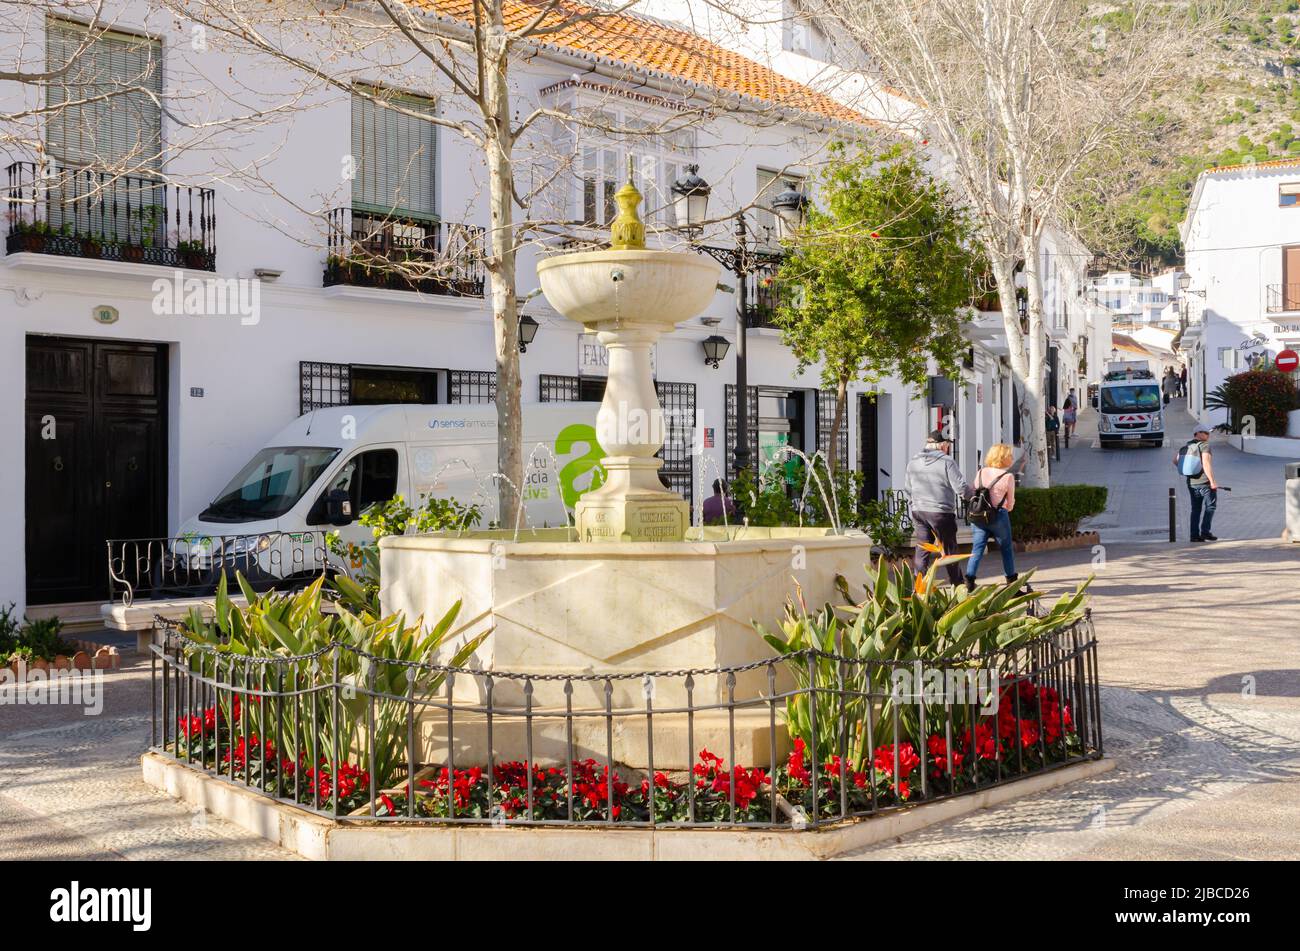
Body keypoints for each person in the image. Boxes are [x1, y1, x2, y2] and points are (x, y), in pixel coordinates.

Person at [903, 430, 969, 584]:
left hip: (919, 511)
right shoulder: (947, 461)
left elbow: (908, 489)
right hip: (941, 513)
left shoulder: (913, 461)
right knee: (949, 550)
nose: (947, 448)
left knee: (922, 549)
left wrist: (914, 503)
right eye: (947, 445)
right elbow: (961, 488)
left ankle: (919, 586)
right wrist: (971, 496)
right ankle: (957, 585)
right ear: (942, 445)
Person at [964, 443, 1019, 591]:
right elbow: (1011, 503)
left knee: (977, 549)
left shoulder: (981, 472)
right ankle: (1012, 586)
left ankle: (969, 583)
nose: (1012, 458)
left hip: (979, 517)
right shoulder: (1007, 477)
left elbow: (974, 491)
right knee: (1006, 549)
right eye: (1010, 455)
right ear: (1003, 458)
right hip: (998, 516)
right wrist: (1005, 506)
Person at [1177, 427, 1219, 542]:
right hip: (1204, 482)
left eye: (1208, 433)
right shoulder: (1204, 445)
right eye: (1205, 433)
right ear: (1197, 433)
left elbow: (1175, 461)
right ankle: (1205, 532)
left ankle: (1194, 535)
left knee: (1195, 509)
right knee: (1210, 507)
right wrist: (1212, 481)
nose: (1207, 435)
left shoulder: (1186, 446)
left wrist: (1188, 470)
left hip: (1191, 483)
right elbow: (1206, 464)